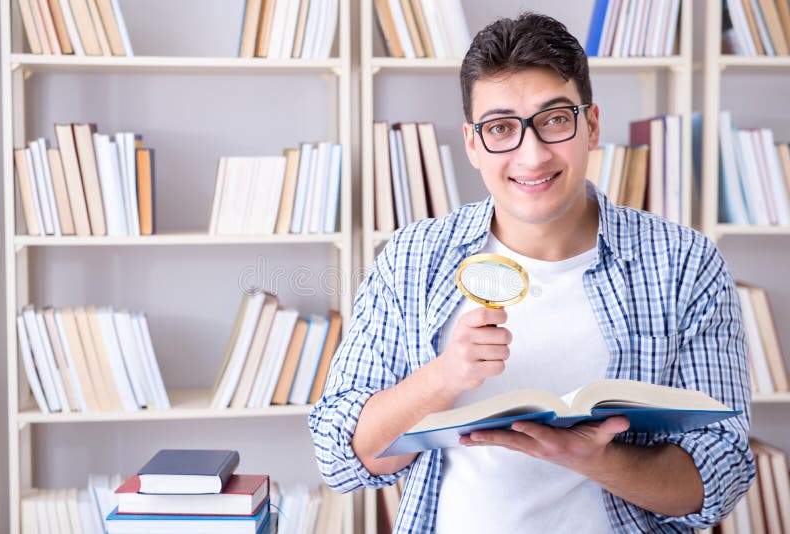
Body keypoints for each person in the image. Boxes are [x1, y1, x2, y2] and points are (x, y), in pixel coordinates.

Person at [309, 11, 754, 533]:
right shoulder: (413, 257)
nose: (533, 153)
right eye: (501, 128)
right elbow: (342, 458)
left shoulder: (685, 263)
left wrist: (589, 457)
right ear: (473, 144)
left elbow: (719, 477)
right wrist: (444, 377)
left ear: (590, 125)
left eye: (555, 119)